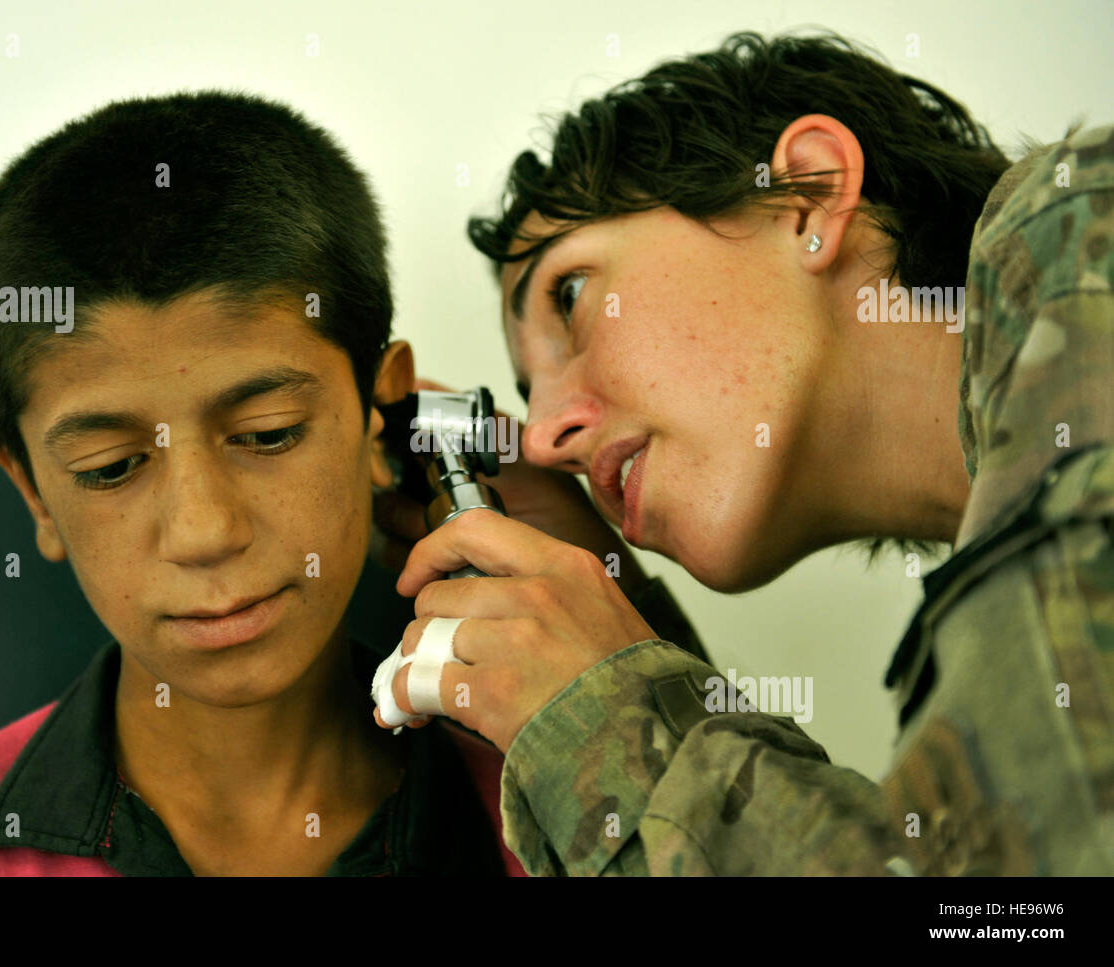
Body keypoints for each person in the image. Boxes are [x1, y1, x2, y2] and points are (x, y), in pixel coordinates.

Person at [370, 31, 1113, 875]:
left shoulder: (1087, 237)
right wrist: (615, 656)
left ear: (808, 194)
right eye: (528, 391)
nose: (541, 437)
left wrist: (604, 711)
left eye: (570, 294)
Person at [0, 91, 522, 876]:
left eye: (268, 433)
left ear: (377, 418)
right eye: (111, 468)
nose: (203, 530)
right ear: (31, 489)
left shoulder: (571, 825)